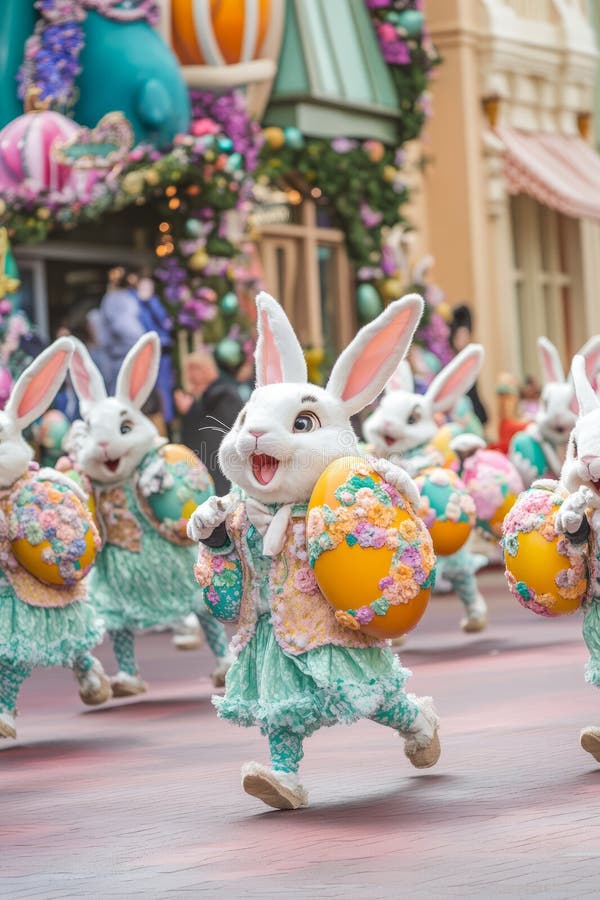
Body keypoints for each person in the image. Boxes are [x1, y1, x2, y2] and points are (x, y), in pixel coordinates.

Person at [174, 350, 244, 495]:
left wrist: (188, 412)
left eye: (192, 370)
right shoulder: (216, 393)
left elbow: (209, 434)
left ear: (204, 369)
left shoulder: (222, 394)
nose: (190, 376)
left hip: (221, 476)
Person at [93, 267, 145, 394]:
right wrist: (142, 342)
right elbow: (123, 326)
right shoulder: (117, 299)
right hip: (119, 357)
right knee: (120, 395)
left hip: (121, 355)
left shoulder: (117, 298)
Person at [449, 305, 488, 427]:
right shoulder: (448, 360)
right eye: (459, 336)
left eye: (465, 336)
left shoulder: (471, 358)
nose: (462, 340)